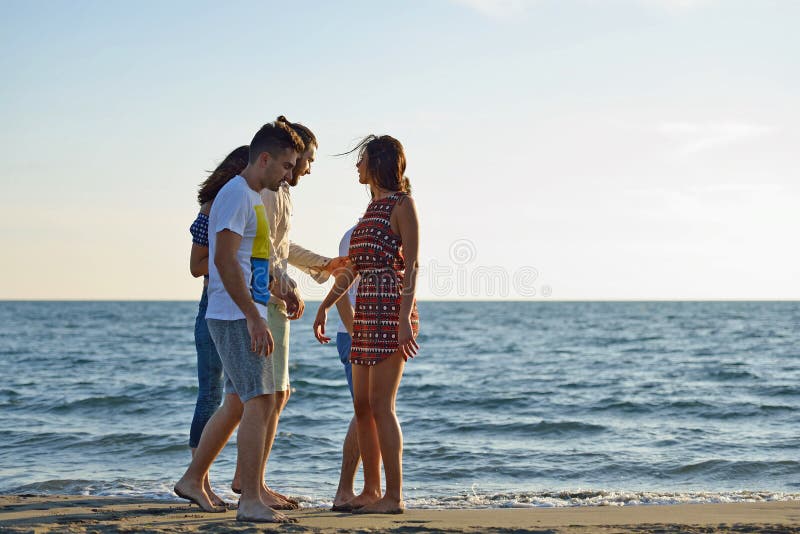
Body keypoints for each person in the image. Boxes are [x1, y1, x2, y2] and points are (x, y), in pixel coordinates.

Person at [175, 121, 304, 524]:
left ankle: (196, 480)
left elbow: (253, 262)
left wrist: (273, 298)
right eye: (285, 165)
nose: (289, 174)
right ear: (263, 158)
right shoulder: (234, 195)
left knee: (258, 400)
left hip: (248, 311)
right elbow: (223, 262)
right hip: (233, 314)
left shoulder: (253, 197)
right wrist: (253, 316)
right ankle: (249, 500)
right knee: (259, 401)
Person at [229, 116, 347, 508]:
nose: (305, 168)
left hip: (274, 300)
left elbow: (284, 246)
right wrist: (286, 287)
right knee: (267, 396)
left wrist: (324, 264)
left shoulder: (282, 191)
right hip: (264, 301)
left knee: (275, 395)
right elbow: (261, 251)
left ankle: (253, 482)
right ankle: (251, 485)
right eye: (304, 160)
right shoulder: (264, 190)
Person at [314, 135, 420, 514]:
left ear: (377, 163)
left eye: (361, 161)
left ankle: (394, 497)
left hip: (391, 307)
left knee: (381, 405)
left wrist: (406, 317)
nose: (356, 167)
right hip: (364, 314)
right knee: (361, 406)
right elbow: (352, 270)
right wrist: (325, 305)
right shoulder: (370, 209)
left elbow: (413, 267)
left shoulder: (401, 204)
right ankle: (370, 491)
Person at [187, 145, 249, 509]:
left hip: (233, 304)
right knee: (211, 394)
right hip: (214, 304)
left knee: (237, 396)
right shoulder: (212, 208)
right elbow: (196, 265)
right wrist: (232, 262)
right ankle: (199, 480)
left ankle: (215, 479)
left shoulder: (243, 205)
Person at [330, 221, 361, 511]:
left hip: (381, 337)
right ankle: (344, 491)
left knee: (375, 413)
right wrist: (357, 335)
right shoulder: (354, 235)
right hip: (354, 336)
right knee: (366, 413)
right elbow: (340, 291)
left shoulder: (396, 232)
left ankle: (368, 490)